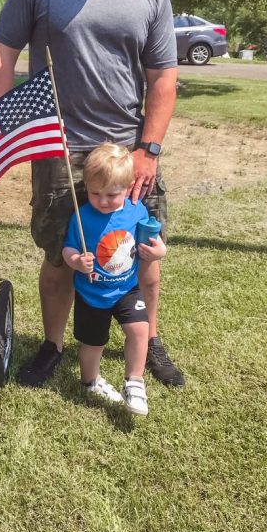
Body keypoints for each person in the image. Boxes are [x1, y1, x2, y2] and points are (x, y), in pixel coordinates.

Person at [0, 0, 183, 388]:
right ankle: (52, 346)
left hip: (125, 153)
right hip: (57, 146)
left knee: (142, 250)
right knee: (60, 254)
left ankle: (150, 339)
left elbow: (163, 80)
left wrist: (149, 151)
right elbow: (2, 53)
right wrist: (1, 127)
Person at [62, 144, 166, 415]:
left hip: (126, 289)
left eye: (112, 194)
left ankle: (134, 382)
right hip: (91, 293)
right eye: (95, 193)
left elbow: (154, 242)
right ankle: (90, 382)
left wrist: (159, 251)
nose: (103, 200)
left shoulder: (136, 210)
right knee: (93, 343)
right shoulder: (81, 216)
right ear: (86, 186)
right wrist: (76, 261)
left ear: (128, 186)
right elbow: (68, 249)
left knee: (140, 330)